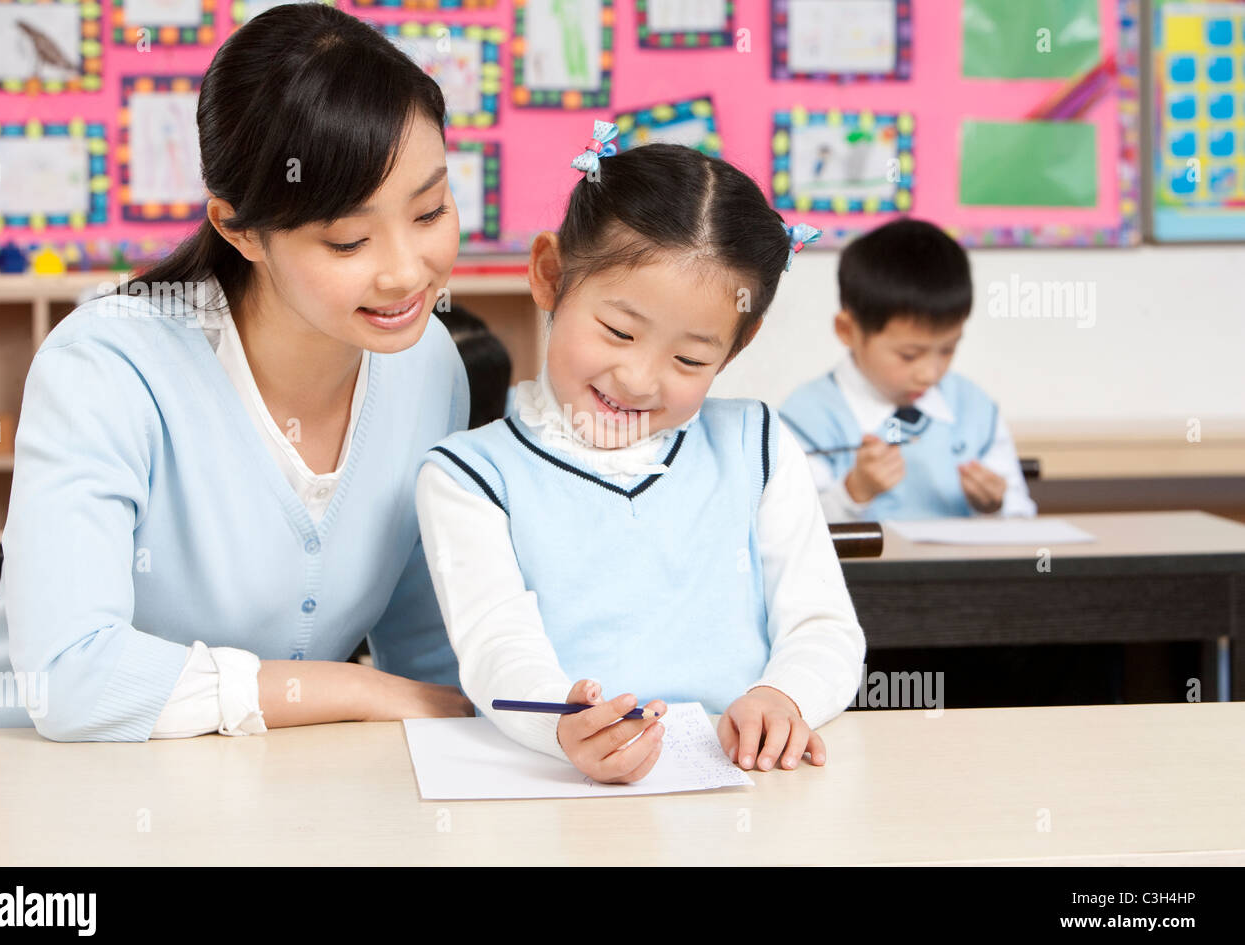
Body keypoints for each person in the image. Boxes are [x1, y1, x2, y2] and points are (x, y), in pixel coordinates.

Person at [0, 5, 473, 739]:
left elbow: (427, 664)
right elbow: (70, 678)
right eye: (349, 240)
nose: (408, 272)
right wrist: (354, 690)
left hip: (238, 786)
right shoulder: (106, 368)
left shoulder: (430, 368)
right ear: (236, 227)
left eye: (430, 210)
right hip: (5, 771)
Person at [415, 132, 865, 784]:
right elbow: (497, 650)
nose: (639, 378)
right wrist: (562, 724)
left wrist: (784, 697)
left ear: (737, 347)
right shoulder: (468, 477)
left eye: (689, 359)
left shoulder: (758, 445)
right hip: (558, 792)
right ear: (549, 274)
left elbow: (822, 625)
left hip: (748, 789)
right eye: (618, 332)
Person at [780, 217, 1036, 522]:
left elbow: (1022, 517)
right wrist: (854, 491)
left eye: (947, 349)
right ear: (847, 331)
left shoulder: (975, 409)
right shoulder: (807, 419)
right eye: (909, 355)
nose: (929, 374)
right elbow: (789, 531)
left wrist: (996, 505)